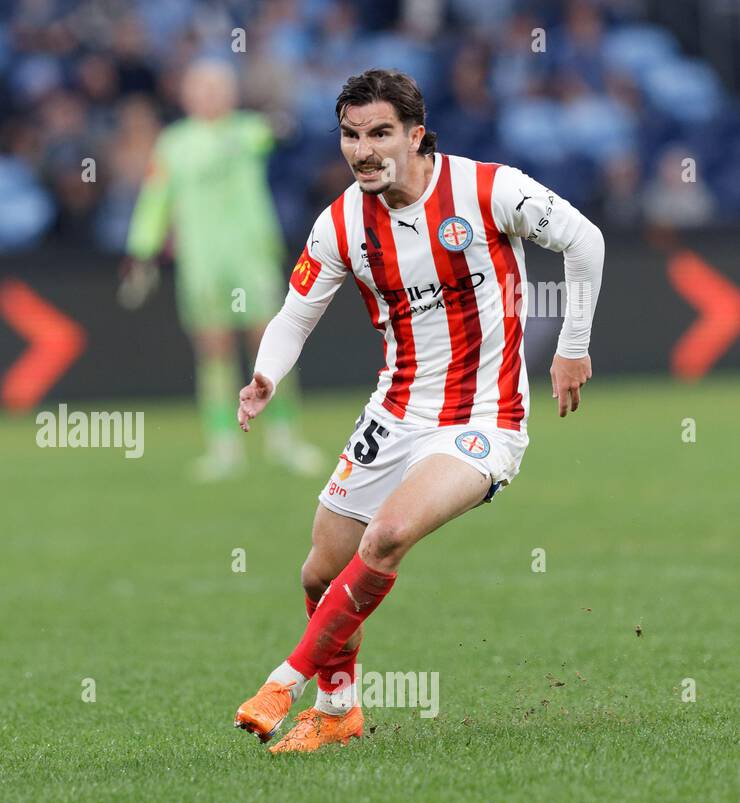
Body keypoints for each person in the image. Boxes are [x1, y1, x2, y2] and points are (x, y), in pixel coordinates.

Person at [233, 69, 603, 753]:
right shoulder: (342, 221)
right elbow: (295, 314)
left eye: (380, 134)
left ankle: (286, 681)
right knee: (319, 572)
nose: (363, 150)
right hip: (395, 413)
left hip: (482, 418)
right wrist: (265, 375)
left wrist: (572, 347)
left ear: (415, 134)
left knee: (388, 535)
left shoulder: (488, 189)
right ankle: (339, 710)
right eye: (350, 135)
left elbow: (585, 241)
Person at [121, 59, 323, 481]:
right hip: (203, 262)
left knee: (269, 347)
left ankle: (284, 439)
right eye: (202, 88)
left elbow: (284, 130)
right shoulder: (174, 144)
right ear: (187, 95)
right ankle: (223, 446)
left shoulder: (247, 131)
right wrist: (142, 251)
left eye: (217, 88)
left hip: (251, 256)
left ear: (231, 94)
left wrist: (283, 119)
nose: (210, 96)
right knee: (213, 350)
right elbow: (156, 200)